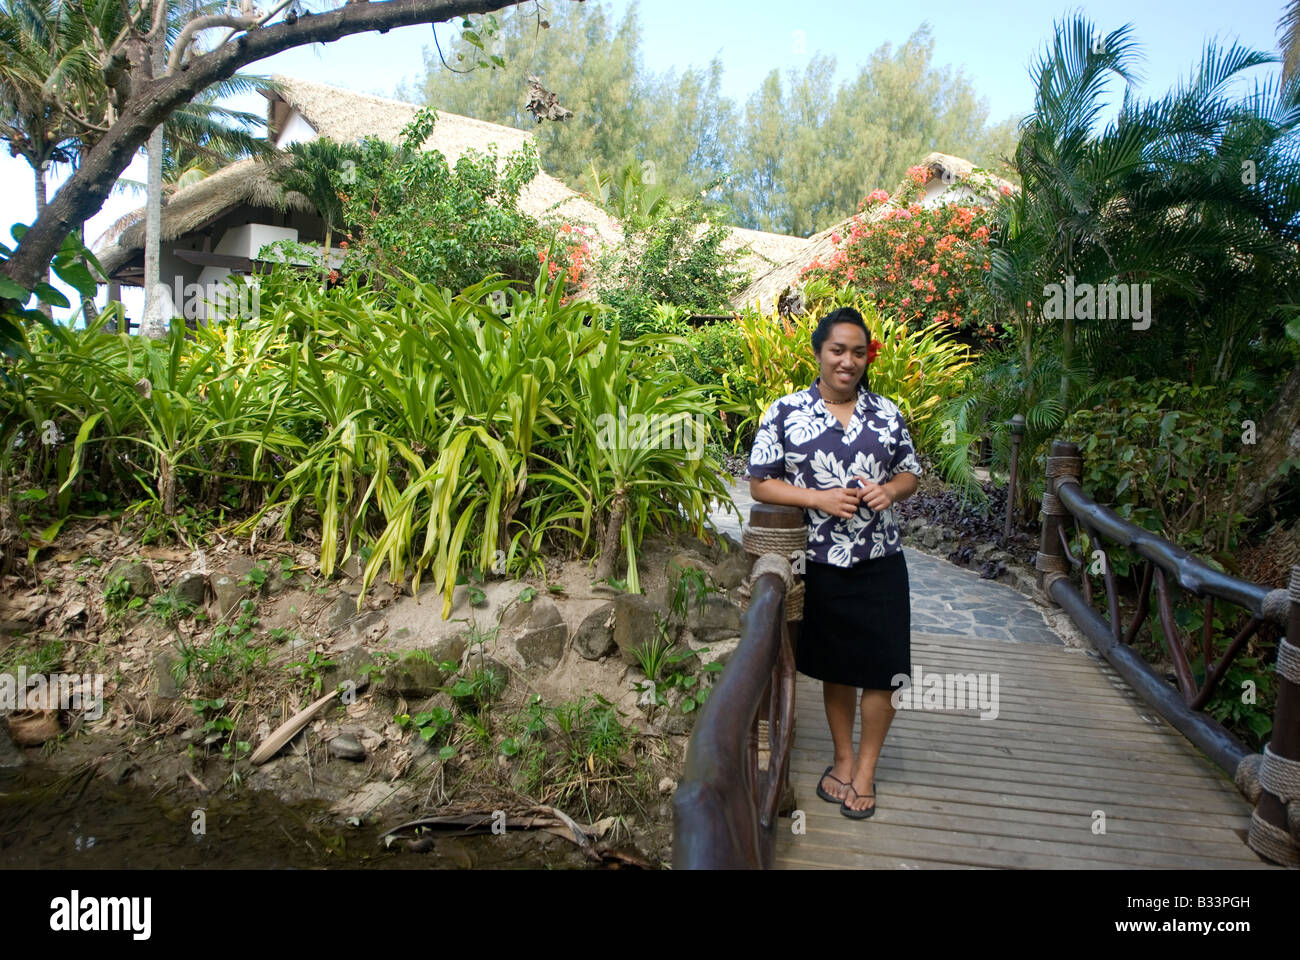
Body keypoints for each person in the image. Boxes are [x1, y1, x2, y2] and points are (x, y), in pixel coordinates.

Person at [746, 306, 921, 819]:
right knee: (838, 668)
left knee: (885, 670)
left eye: (858, 352)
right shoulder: (785, 411)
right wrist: (817, 499)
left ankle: (865, 771)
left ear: (868, 358)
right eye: (838, 350)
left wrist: (890, 489)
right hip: (819, 561)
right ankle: (843, 760)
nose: (848, 361)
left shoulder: (886, 413)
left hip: (881, 559)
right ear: (820, 353)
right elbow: (760, 480)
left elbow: (910, 472)